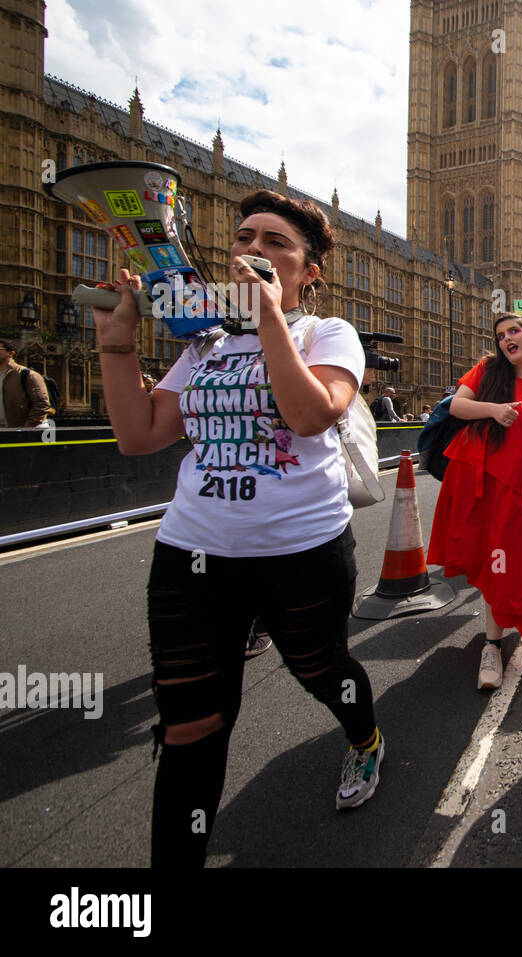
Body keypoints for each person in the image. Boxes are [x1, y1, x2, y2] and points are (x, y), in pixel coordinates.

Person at [92, 188, 384, 866]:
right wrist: (116, 344)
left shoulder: (327, 334)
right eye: (244, 238)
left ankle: (363, 734)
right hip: (192, 556)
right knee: (191, 729)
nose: (253, 249)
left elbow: (310, 414)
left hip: (303, 552)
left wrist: (269, 319)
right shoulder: (204, 347)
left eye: (275, 242)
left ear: (309, 270)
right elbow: (139, 435)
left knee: (322, 670)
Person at [428, 313, 522, 690]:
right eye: (500, 335)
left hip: (516, 488)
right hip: (474, 479)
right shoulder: (489, 370)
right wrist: (495, 409)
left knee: (510, 564)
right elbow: (457, 406)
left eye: (514, 331)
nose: (507, 338)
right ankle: (491, 644)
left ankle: (497, 636)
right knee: (489, 561)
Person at [0, 339, 51, 428]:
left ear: (11, 353)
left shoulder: (27, 375)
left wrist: (26, 428)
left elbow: (41, 404)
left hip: (19, 432)